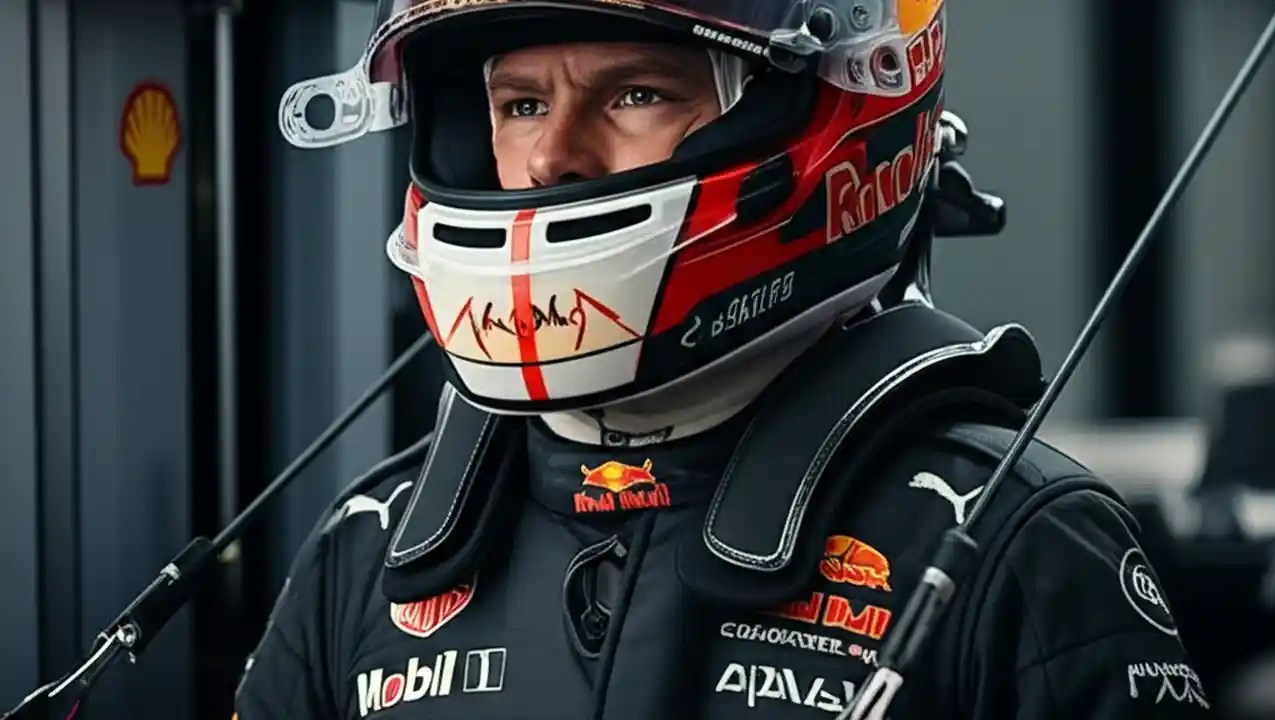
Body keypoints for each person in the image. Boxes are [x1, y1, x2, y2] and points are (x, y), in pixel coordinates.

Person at [236, 1, 1212, 717]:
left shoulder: (1008, 541)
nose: (552, 159)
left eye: (635, 93)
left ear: (815, 114)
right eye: (521, 104)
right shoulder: (370, 549)